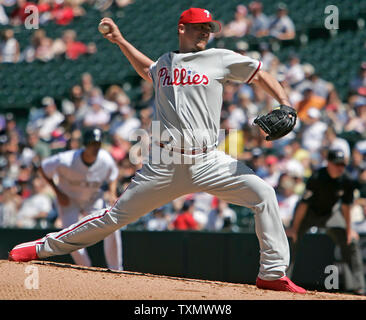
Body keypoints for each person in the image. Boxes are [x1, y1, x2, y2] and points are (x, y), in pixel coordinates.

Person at [9, 8, 305, 293]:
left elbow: (261, 73)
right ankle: (42, 247)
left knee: (264, 194)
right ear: (182, 28)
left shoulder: (219, 58)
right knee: (113, 217)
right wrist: (121, 41)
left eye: (208, 28)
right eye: (200, 27)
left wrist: (285, 103)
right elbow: (147, 69)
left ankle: (272, 274)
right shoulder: (165, 62)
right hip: (165, 162)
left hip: (209, 160)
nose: (205, 32)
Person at [37, 128, 123, 270]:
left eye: (98, 144)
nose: (95, 147)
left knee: (112, 226)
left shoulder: (105, 159)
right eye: (92, 143)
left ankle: (116, 269)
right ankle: (86, 269)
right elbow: (43, 168)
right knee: (70, 236)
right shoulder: (66, 160)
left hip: (93, 199)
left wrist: (112, 192)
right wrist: (58, 193)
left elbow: (113, 175)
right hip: (69, 199)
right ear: (84, 144)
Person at [286, 149, 365, 295]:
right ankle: (283, 279)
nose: (340, 167)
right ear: (328, 163)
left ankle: (358, 286)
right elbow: (303, 205)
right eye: (337, 164)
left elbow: (346, 207)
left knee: (350, 241)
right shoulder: (317, 177)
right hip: (309, 212)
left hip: (330, 213)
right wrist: (294, 228)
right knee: (291, 238)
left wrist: (348, 230)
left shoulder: (347, 179)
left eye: (342, 164)